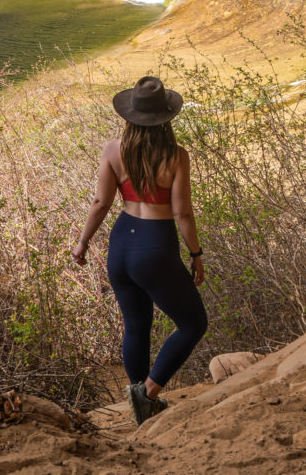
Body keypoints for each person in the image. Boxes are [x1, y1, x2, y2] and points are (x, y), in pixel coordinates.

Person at [72, 75, 207, 425]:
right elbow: (182, 213)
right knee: (193, 323)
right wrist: (196, 254)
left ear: (130, 114)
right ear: (166, 117)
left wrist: (83, 241)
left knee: (135, 327)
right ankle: (146, 394)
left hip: (121, 244)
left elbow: (102, 202)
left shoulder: (113, 150)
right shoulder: (176, 156)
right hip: (155, 245)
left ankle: (140, 404)